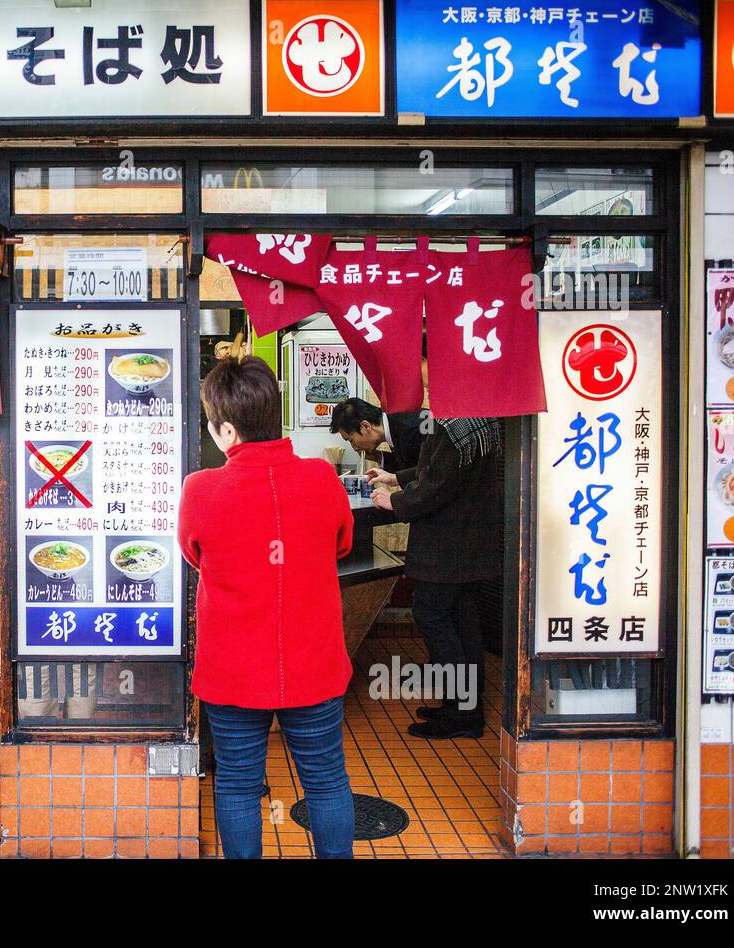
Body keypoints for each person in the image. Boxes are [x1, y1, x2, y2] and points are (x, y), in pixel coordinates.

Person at [178, 356, 356, 859]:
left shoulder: (201, 488)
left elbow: (193, 554)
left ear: (226, 429)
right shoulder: (323, 479)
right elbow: (341, 545)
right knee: (325, 780)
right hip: (314, 660)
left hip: (233, 667)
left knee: (236, 784)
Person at [369, 415, 503, 740]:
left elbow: (438, 483)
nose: (427, 386)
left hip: (447, 546)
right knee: (463, 621)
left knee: (432, 615)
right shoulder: (478, 420)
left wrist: (396, 500)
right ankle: (464, 707)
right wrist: (397, 476)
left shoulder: (452, 423)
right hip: (470, 545)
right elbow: (440, 468)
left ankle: (460, 713)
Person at [330, 397, 428, 475]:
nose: (354, 448)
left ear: (365, 426)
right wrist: (378, 457)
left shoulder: (414, 428)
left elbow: (428, 473)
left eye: (351, 440)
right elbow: (411, 465)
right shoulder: (395, 424)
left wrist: (392, 498)